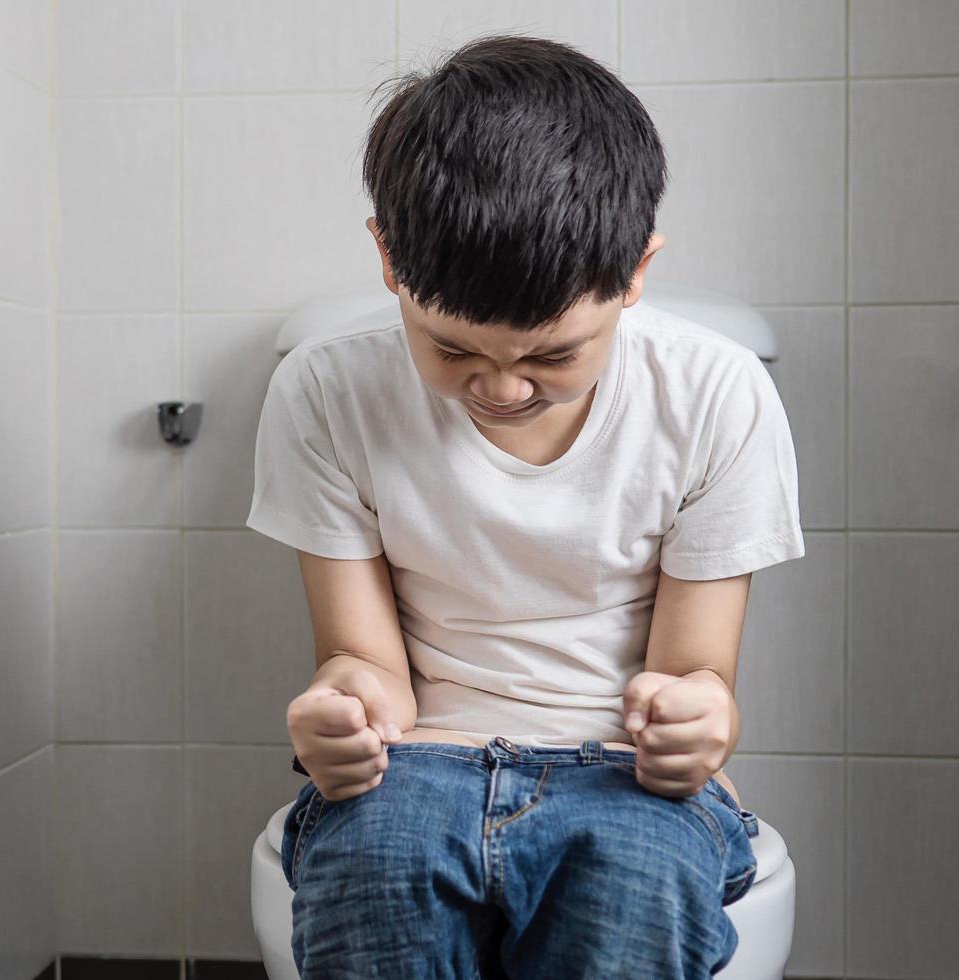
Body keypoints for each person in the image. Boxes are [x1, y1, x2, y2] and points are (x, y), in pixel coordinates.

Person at [244, 33, 806, 979]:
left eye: (551, 356)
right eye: (453, 350)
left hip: (617, 770)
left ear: (636, 270)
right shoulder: (326, 391)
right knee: (376, 865)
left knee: (636, 877)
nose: (501, 388)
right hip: (421, 756)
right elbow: (363, 660)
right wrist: (340, 714)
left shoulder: (715, 393)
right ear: (387, 260)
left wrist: (699, 718)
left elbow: (696, 672)